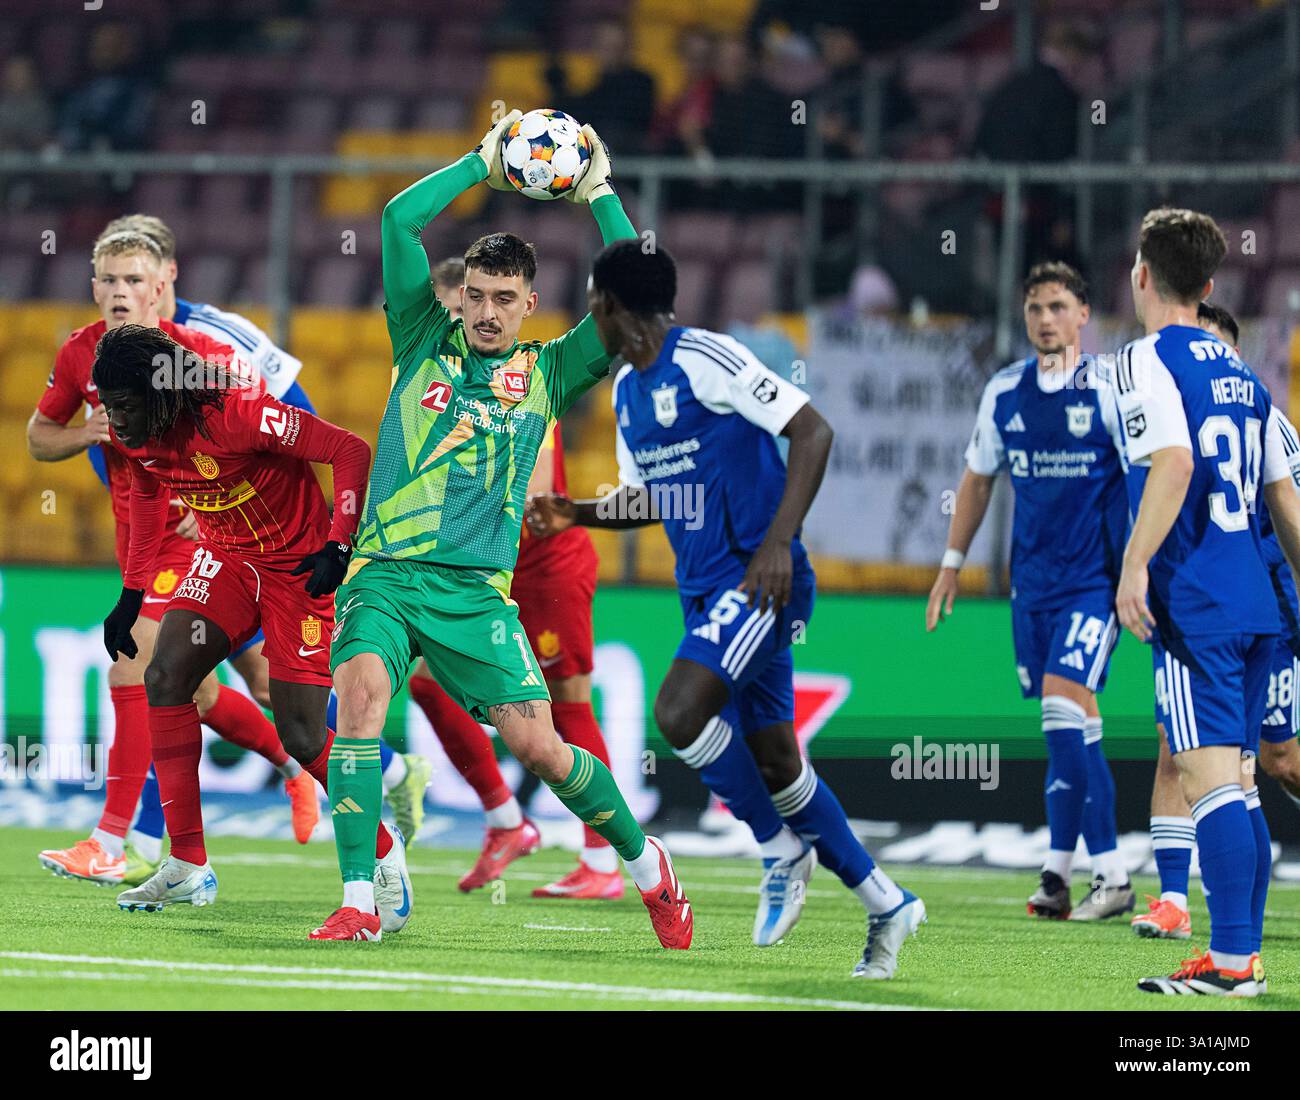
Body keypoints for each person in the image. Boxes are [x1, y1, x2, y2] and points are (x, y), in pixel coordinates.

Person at [322, 111, 693, 947]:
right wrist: (480, 164)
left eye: (503, 300)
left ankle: (648, 867)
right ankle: (357, 900)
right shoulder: (419, 337)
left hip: (473, 591)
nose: (486, 313)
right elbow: (396, 220)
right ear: (460, 297)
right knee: (359, 705)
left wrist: (598, 192)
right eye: (476, 297)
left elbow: (637, 294)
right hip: (382, 571)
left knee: (542, 746)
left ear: (531, 302)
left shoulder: (552, 370)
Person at [526, 239, 925, 978]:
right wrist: (577, 511)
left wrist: (779, 543)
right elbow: (653, 495)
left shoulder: (706, 356)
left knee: (680, 714)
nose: (587, 315)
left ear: (608, 306)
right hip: (707, 593)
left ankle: (778, 853)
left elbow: (813, 430)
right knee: (777, 759)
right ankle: (887, 903)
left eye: (590, 302)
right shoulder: (628, 393)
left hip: (759, 582)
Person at [95, 214, 425, 854]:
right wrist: (131, 597)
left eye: (124, 408)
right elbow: (141, 498)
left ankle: (383, 853)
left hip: (297, 566)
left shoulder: (235, 408)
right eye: (109, 408)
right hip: (225, 559)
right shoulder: (137, 423)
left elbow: (350, 449)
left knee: (300, 730)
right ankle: (184, 861)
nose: (117, 423)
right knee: (163, 676)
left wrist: (338, 541)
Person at [27, 229, 317, 887]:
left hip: (205, 540)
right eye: (109, 280)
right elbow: (37, 438)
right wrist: (84, 434)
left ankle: (114, 841)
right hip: (141, 539)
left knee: (130, 668)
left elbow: (267, 430)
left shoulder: (194, 358)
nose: (120, 292)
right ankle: (296, 765)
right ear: (93, 286)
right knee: (213, 689)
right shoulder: (80, 355)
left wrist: (216, 492)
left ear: (163, 284)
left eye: (134, 280)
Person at [393, 257, 623, 899]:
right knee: (422, 680)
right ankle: (505, 818)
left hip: (545, 565)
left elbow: (539, 497)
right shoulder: (435, 378)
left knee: (567, 705)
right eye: (461, 309)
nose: (470, 320)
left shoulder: (519, 387)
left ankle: (604, 864)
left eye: (471, 309)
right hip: (486, 573)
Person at [1113, 208, 1300, 996]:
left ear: (1142, 276)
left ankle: (1230, 968)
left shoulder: (1140, 360)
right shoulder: (1245, 374)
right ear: (1211, 284)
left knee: (1208, 782)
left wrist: (1133, 565)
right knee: (1243, 783)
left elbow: (1176, 464)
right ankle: (1240, 957)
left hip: (1194, 604)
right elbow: (1282, 498)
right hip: (1259, 606)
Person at [927, 262, 1133, 921]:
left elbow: (1148, 475)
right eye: (1034, 308)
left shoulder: (1110, 390)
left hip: (1095, 583)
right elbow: (979, 478)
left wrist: (1144, 567)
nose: (1044, 319)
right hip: (1033, 588)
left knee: (1061, 708)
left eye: (1057, 306)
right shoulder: (1005, 392)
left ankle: (1114, 878)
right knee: (1071, 728)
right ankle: (1057, 874)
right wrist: (951, 562)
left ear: (1083, 317)